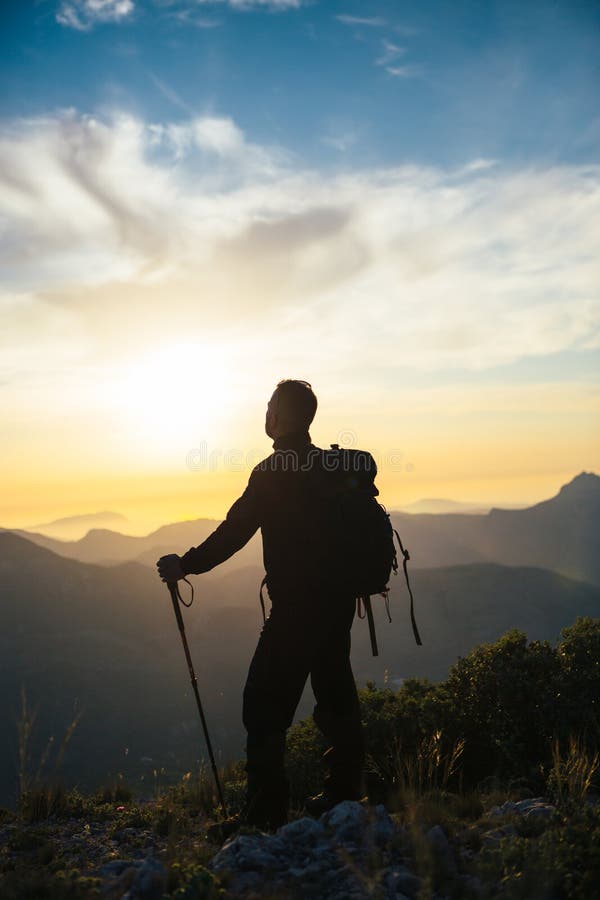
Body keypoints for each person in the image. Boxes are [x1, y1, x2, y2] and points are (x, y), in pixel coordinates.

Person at [157, 379, 365, 831]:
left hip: (296, 609)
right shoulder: (331, 466)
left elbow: (234, 533)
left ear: (285, 417)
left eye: (270, 407)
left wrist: (184, 565)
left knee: (264, 704)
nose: (265, 414)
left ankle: (263, 815)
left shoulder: (274, 472)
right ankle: (345, 796)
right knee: (335, 695)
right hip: (338, 604)